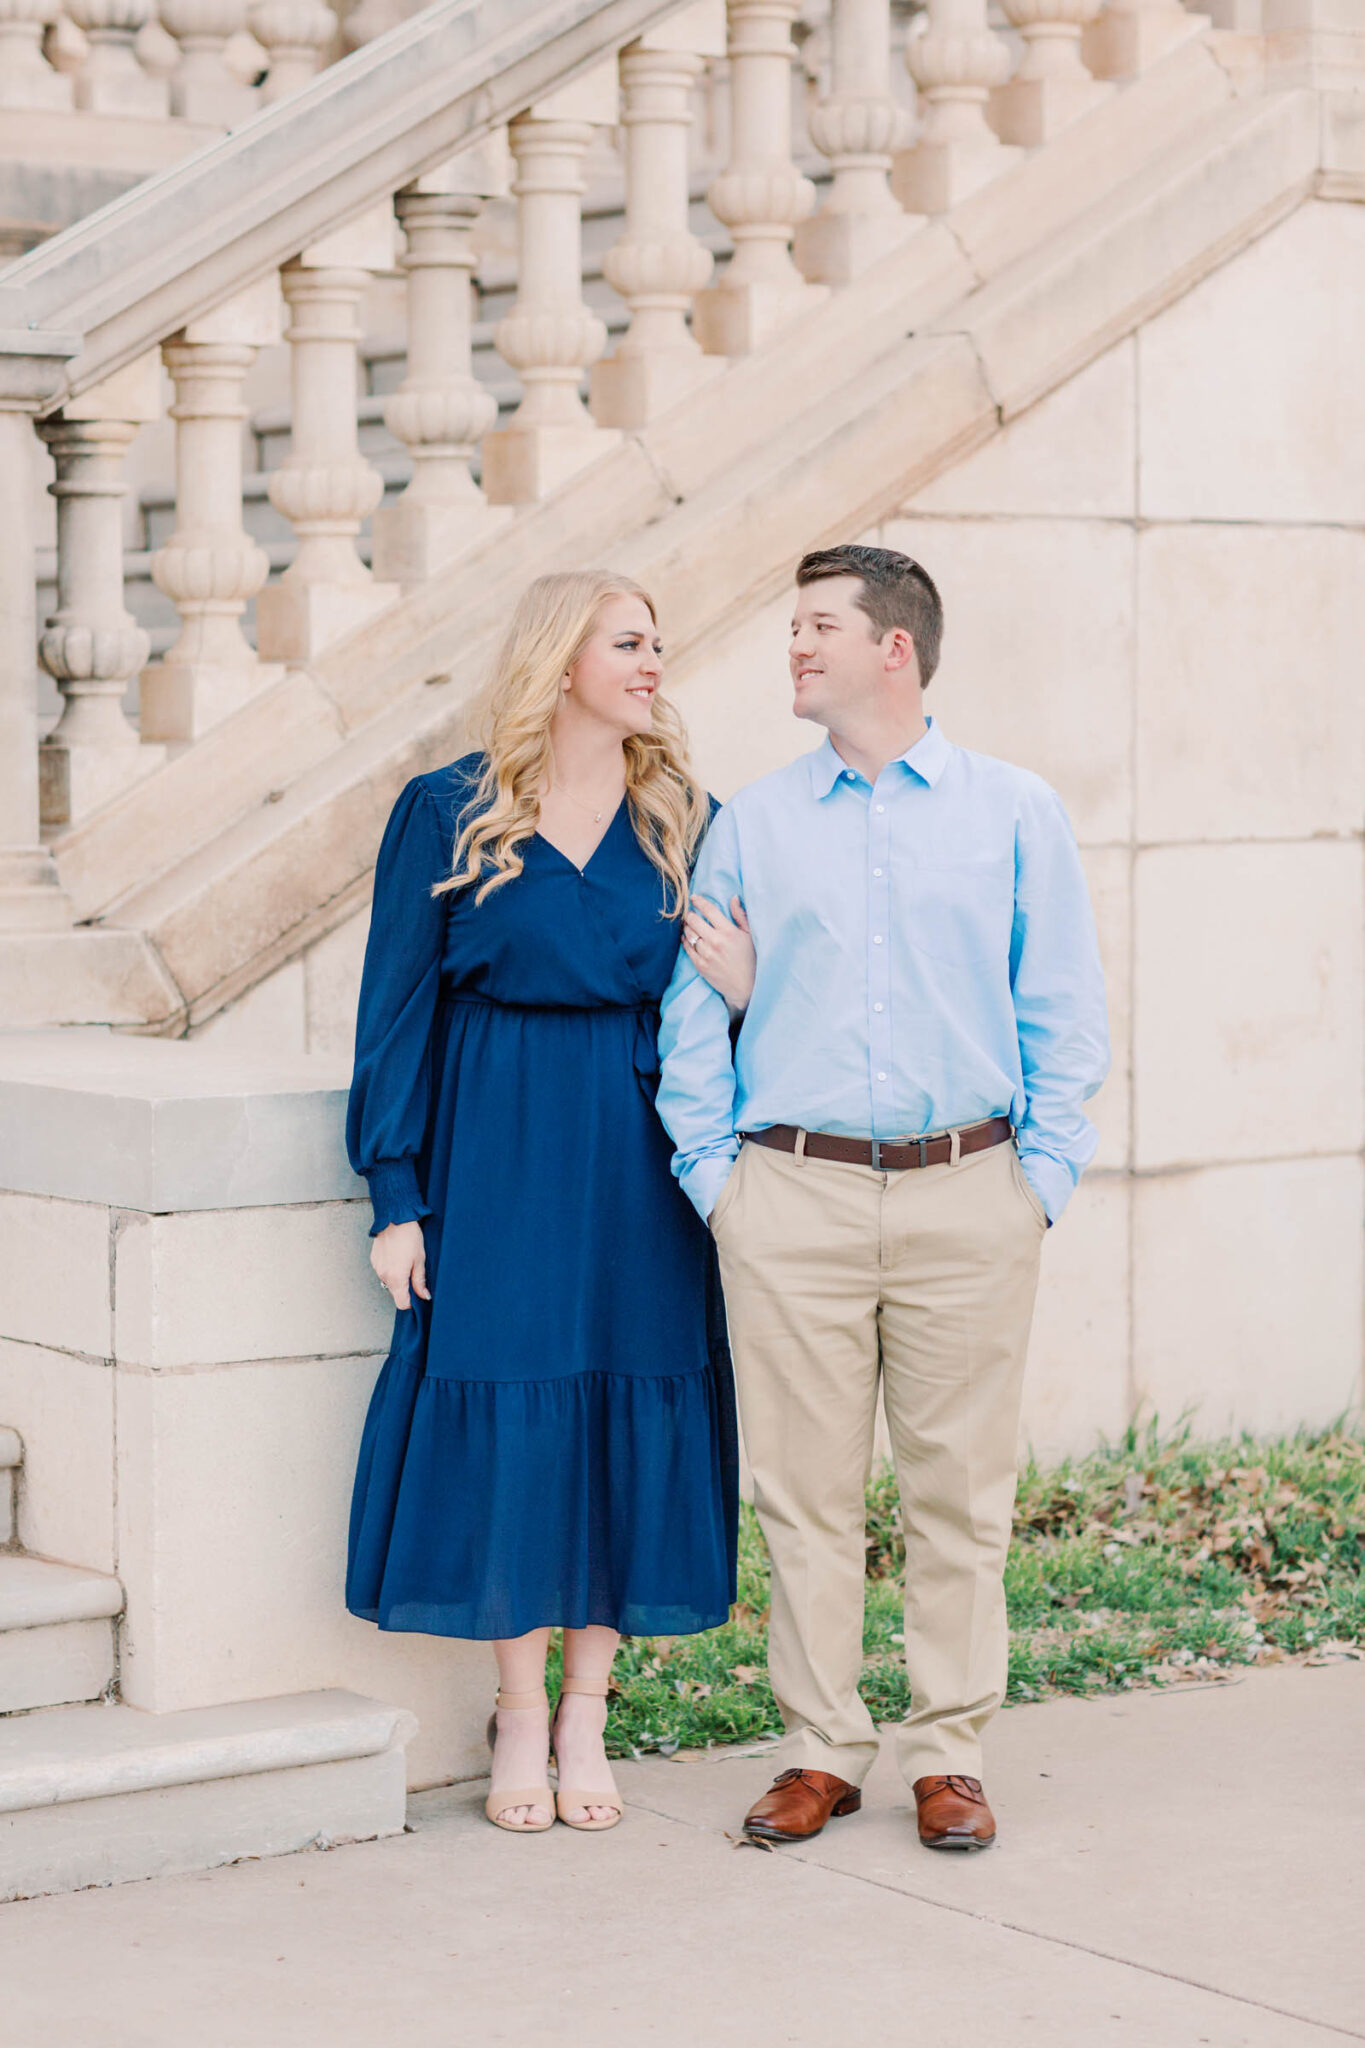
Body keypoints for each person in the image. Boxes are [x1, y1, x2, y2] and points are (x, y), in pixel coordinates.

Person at [657, 543, 1109, 1853]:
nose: (795, 647)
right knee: (802, 1497)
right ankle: (819, 1748)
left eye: (819, 626)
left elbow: (1063, 1010)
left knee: (958, 1494)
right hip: (788, 1196)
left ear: (893, 648)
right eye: (794, 627)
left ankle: (948, 1751)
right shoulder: (751, 822)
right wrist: (719, 1181)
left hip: (969, 1195)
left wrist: (1037, 1182)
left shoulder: (1013, 810)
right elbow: (690, 1018)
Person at [345, 570, 754, 1834]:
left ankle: (588, 1711)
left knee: (626, 1410)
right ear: (559, 657)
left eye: (658, 643)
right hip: (498, 1152)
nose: (653, 662)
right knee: (515, 1414)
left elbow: (740, 1012)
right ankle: (519, 1711)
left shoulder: (687, 815)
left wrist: (749, 988)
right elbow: (395, 1012)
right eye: (629, 641)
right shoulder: (448, 809)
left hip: (641, 1160)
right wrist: (396, 1191)